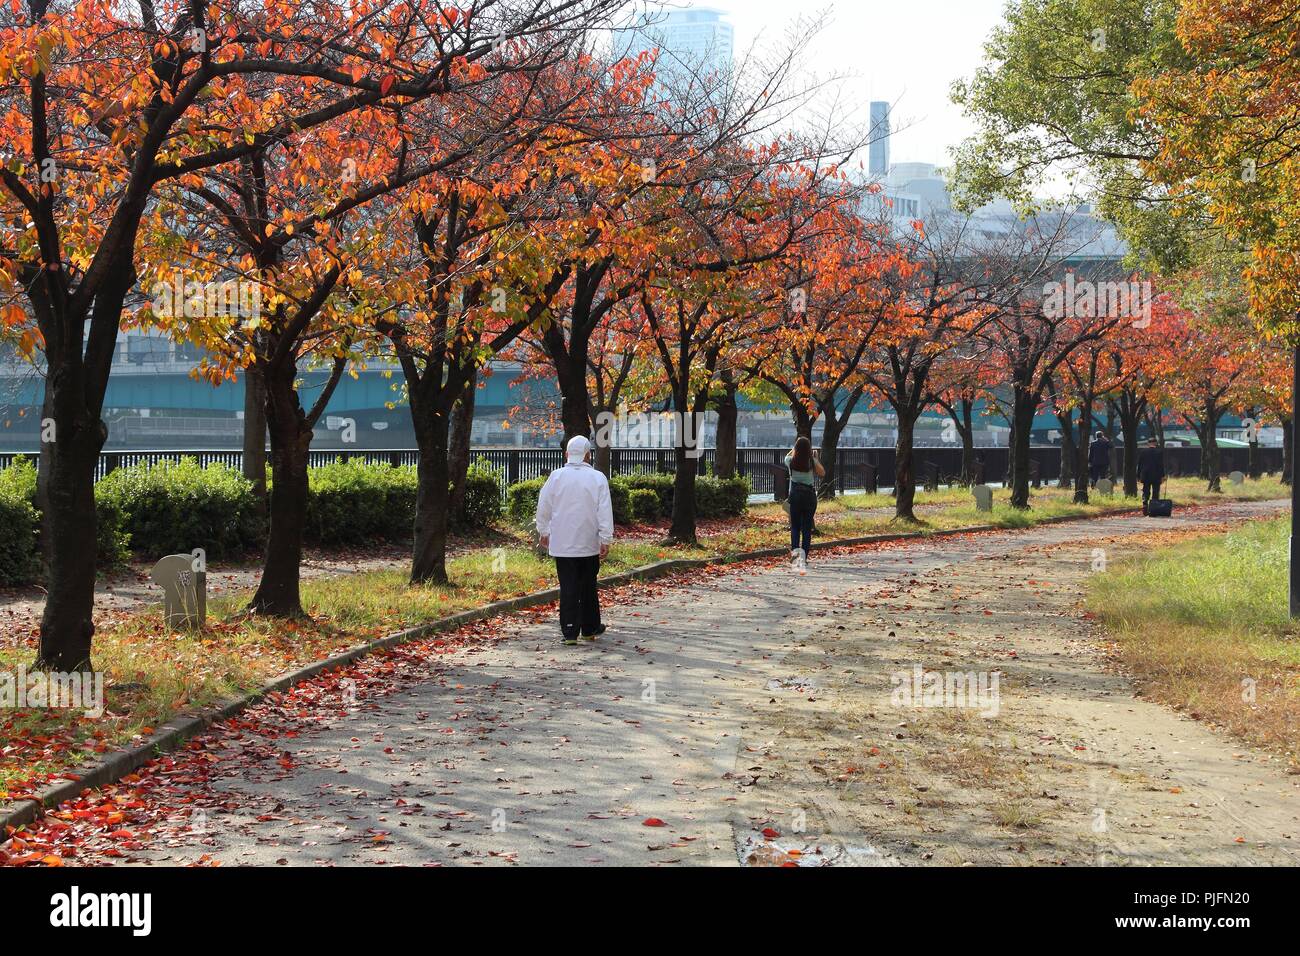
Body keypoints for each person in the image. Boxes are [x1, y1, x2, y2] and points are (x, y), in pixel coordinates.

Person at [536, 435, 614, 646]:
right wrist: (605, 539)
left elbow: (544, 506)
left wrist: (544, 531)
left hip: (562, 543)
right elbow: (604, 511)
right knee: (588, 585)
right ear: (588, 455)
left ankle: (569, 631)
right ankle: (589, 628)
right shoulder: (598, 478)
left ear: (567, 454)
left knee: (568, 585)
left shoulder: (556, 477)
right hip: (589, 542)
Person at [784, 436, 824, 571]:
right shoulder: (811, 462)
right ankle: (804, 558)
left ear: (796, 448)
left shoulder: (790, 461)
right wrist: (815, 458)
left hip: (795, 495)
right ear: (809, 449)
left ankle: (795, 558)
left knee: (795, 527)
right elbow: (822, 473)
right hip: (809, 496)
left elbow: (787, 455)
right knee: (806, 528)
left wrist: (794, 449)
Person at [1137, 437, 1166, 515]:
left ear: (1148, 443)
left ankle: (1145, 505)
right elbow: (1161, 465)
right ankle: (1154, 508)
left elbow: (1139, 465)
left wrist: (1138, 476)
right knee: (1155, 491)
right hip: (1156, 475)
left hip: (1145, 475)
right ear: (1156, 443)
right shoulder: (1159, 452)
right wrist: (1163, 475)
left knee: (1146, 490)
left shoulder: (1143, 452)